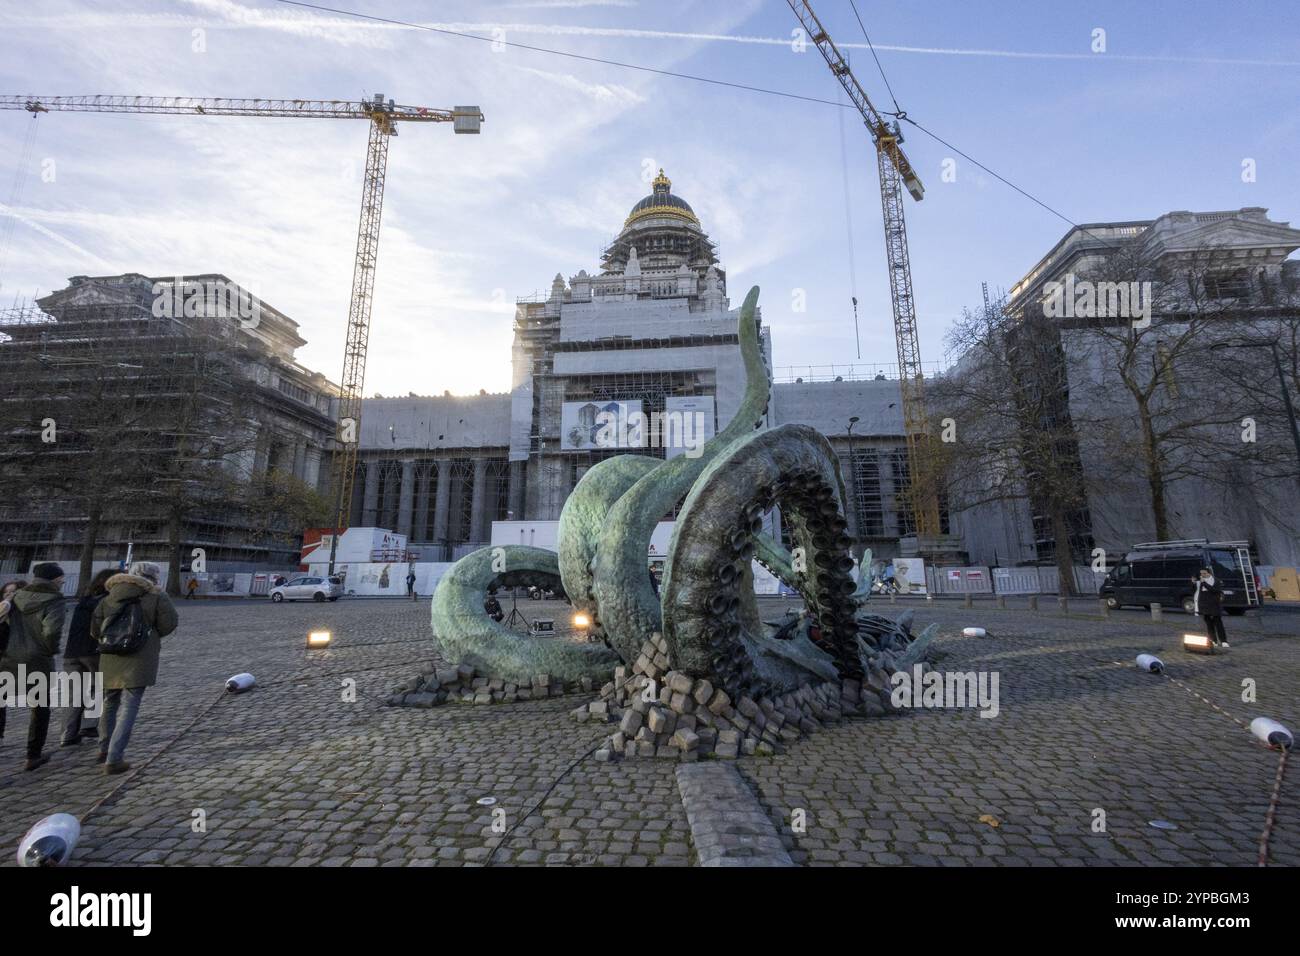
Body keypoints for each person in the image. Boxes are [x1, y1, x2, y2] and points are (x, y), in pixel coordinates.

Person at [91, 561, 179, 775]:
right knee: (130, 706)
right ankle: (115, 757)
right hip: (139, 657)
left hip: (110, 656)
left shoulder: (109, 596)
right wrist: (148, 636)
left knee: (109, 702)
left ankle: (103, 748)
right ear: (154, 577)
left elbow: (95, 629)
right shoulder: (156, 596)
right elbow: (169, 624)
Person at [0, 564, 68, 771]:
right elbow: (51, 631)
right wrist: (50, 650)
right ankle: (33, 755)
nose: (63, 582)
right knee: (39, 708)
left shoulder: (16, 596)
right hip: (37, 658)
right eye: (61, 578)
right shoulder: (54, 600)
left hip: (8, 656)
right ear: (54, 579)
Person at [60, 568, 115, 746]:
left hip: (72, 651)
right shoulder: (108, 602)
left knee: (74, 693)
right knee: (97, 687)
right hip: (93, 651)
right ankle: (89, 724)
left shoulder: (84, 600)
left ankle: (67, 733)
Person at [1193, 567, 1229, 649]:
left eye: (1204, 573)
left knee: (1218, 623)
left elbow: (1215, 590)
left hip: (1215, 605)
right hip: (1205, 606)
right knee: (1209, 624)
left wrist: (1204, 583)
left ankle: (1224, 641)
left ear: (1209, 573)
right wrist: (1193, 583)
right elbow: (1196, 591)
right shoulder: (1200, 582)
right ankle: (1213, 640)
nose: (1202, 575)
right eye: (1201, 574)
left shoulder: (1216, 581)